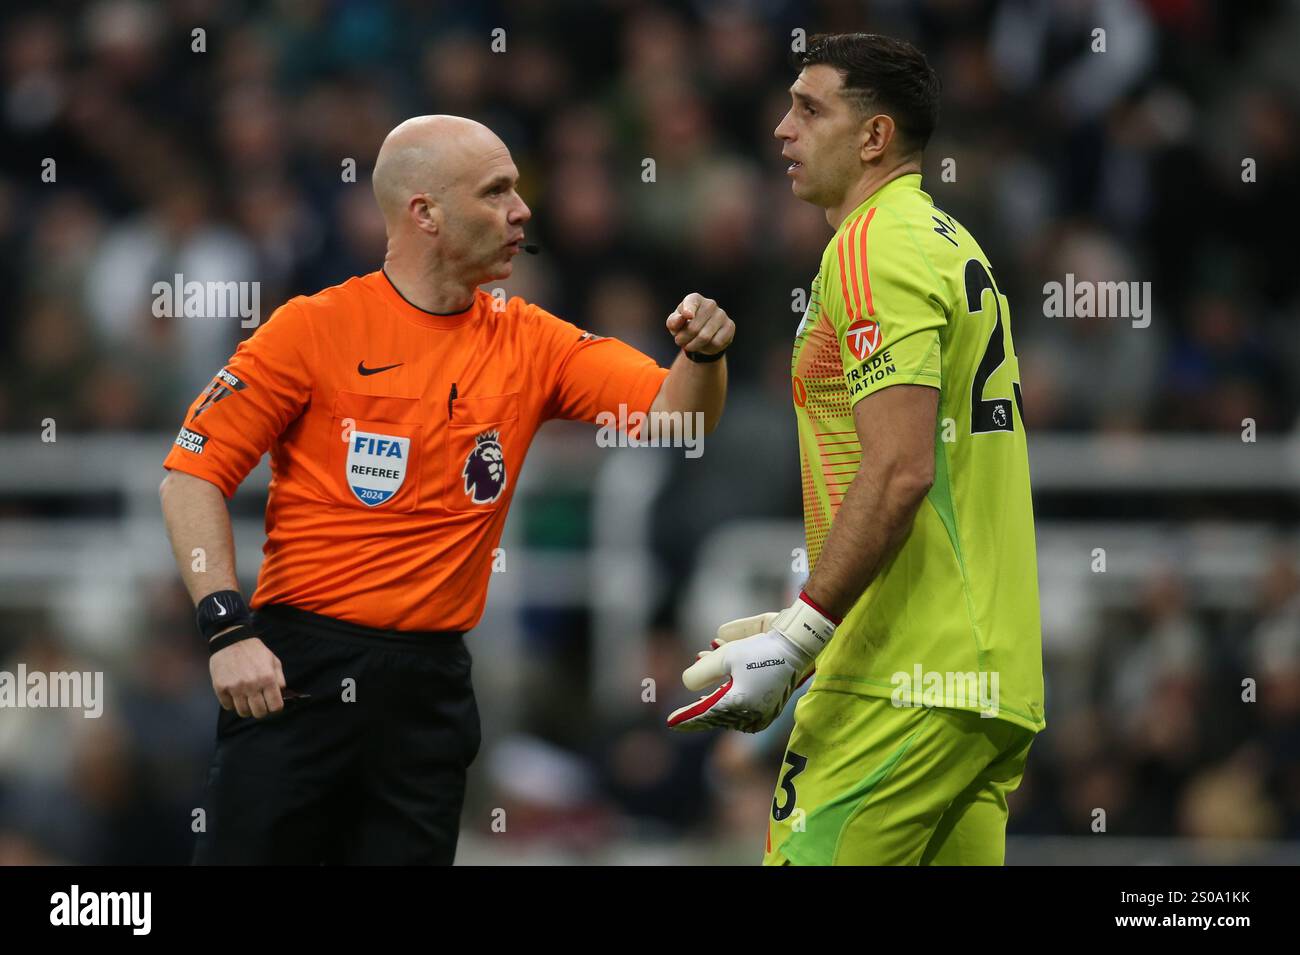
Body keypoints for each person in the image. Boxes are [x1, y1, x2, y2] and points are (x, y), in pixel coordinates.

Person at [160, 114, 735, 864]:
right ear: (424, 212)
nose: (522, 211)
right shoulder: (313, 329)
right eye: (496, 192)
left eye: (518, 190)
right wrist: (227, 629)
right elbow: (191, 470)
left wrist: (703, 354)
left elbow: (673, 419)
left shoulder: (532, 340)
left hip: (430, 686)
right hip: (300, 671)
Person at [667, 33, 1045, 866]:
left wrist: (803, 634)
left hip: (899, 680)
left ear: (874, 136)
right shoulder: (950, 242)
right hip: (983, 679)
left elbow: (901, 467)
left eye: (809, 108)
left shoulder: (874, 246)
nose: (781, 129)